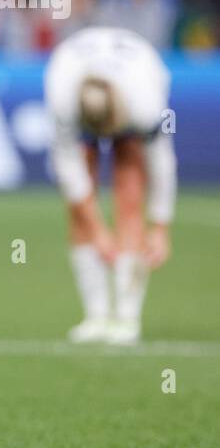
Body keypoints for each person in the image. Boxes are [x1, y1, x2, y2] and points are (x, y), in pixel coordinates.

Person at [44, 26, 176, 345]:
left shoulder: (145, 102)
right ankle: (97, 315)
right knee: (78, 212)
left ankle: (127, 318)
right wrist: (97, 229)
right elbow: (71, 174)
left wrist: (160, 226)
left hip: (136, 72)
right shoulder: (62, 94)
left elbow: (161, 163)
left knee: (130, 193)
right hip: (79, 73)